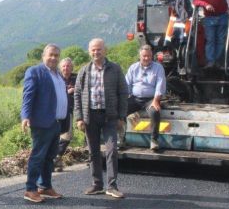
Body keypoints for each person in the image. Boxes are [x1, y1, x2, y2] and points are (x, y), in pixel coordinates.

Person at [74, 38, 128, 198]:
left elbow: (123, 93)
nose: (96, 52)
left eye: (99, 49)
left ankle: (112, 186)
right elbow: (77, 94)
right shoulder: (84, 70)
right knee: (93, 152)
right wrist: (79, 117)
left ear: (105, 50)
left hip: (110, 116)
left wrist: (122, 116)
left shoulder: (115, 69)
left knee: (112, 150)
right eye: (93, 50)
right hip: (90, 116)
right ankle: (97, 184)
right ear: (89, 51)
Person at [21, 44, 69, 203]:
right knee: (38, 156)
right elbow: (28, 96)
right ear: (43, 56)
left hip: (56, 123)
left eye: (56, 55)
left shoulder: (58, 75)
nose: (54, 58)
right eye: (51, 55)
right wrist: (25, 116)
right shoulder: (35, 72)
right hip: (42, 122)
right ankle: (30, 189)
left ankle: (45, 186)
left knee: (50, 156)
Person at [125, 44, 166, 151]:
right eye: (144, 56)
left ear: (152, 56)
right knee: (120, 110)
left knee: (155, 112)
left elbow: (160, 85)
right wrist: (124, 98)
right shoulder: (133, 68)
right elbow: (127, 85)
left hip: (150, 100)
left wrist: (156, 101)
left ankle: (153, 140)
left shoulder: (158, 67)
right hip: (135, 98)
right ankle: (121, 138)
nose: (146, 58)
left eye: (148, 56)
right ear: (140, 56)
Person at [53, 57, 77, 171]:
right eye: (64, 66)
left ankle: (55, 159)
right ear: (60, 67)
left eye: (68, 66)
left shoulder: (76, 77)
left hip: (74, 109)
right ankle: (55, 160)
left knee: (67, 135)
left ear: (72, 67)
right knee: (59, 136)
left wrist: (76, 90)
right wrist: (68, 92)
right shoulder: (57, 78)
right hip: (58, 110)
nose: (66, 68)